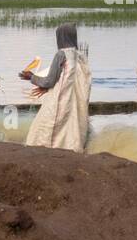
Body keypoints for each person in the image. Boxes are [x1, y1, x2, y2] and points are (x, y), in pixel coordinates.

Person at [20, 22, 91, 152]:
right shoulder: (78, 55)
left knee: (43, 126)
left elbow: (49, 81)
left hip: (59, 98)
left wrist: (31, 77)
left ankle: (45, 150)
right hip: (70, 98)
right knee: (69, 128)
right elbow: (71, 78)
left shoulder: (61, 54)